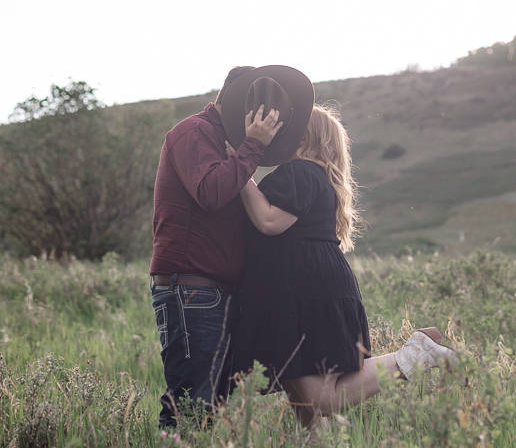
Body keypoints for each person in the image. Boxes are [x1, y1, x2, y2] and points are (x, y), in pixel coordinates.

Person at [232, 103, 459, 429]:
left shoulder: (301, 172)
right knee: (302, 402)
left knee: (322, 399)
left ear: (303, 137)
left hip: (305, 292)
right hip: (306, 288)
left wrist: (240, 171)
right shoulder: (315, 176)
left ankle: (416, 353)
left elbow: (269, 221)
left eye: (289, 130)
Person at [149, 65, 314, 428]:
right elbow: (211, 193)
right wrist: (253, 144)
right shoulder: (193, 132)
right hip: (191, 288)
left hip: (215, 292)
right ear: (238, 103)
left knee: (211, 404)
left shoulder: (228, 144)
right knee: (193, 403)